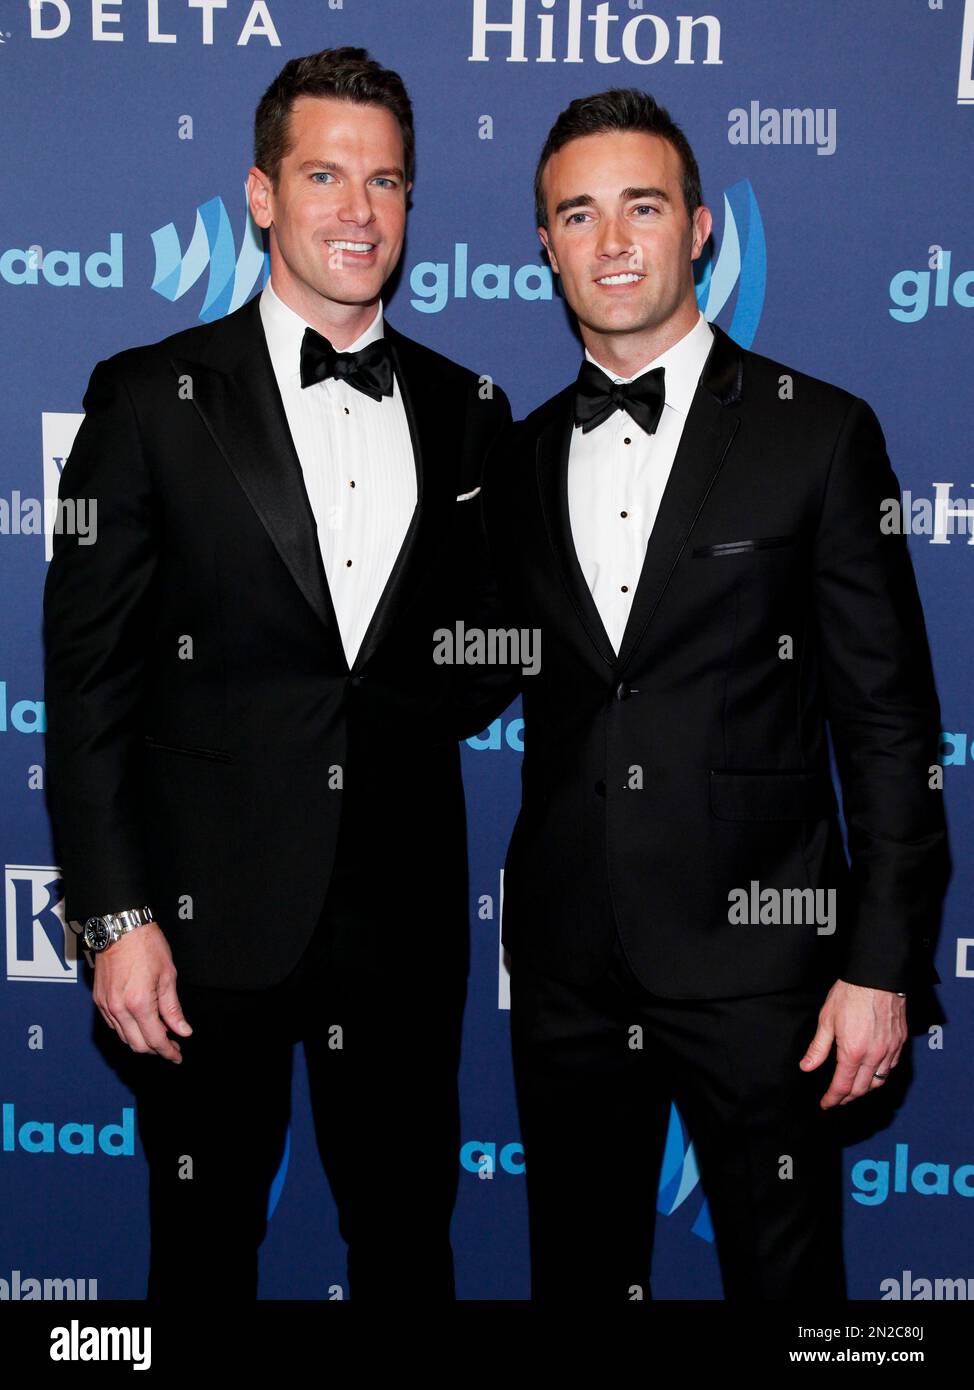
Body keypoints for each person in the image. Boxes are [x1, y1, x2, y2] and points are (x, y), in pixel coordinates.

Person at [43, 46, 510, 1300]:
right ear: (260, 195)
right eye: (324, 175)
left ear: (412, 204)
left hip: (404, 922)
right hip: (199, 931)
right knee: (200, 1258)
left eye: (386, 182)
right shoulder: (148, 398)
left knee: (408, 1246)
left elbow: (494, 640)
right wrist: (114, 916)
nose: (357, 211)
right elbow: (86, 683)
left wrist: (400, 708)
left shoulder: (470, 408)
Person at [481, 88, 949, 1300]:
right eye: (576, 214)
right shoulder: (517, 459)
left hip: (763, 965)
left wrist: (880, 963)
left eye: (641, 205)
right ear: (543, 246)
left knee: (788, 1293)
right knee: (576, 1278)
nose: (612, 240)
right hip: (569, 966)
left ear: (696, 226)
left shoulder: (818, 435)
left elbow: (889, 726)